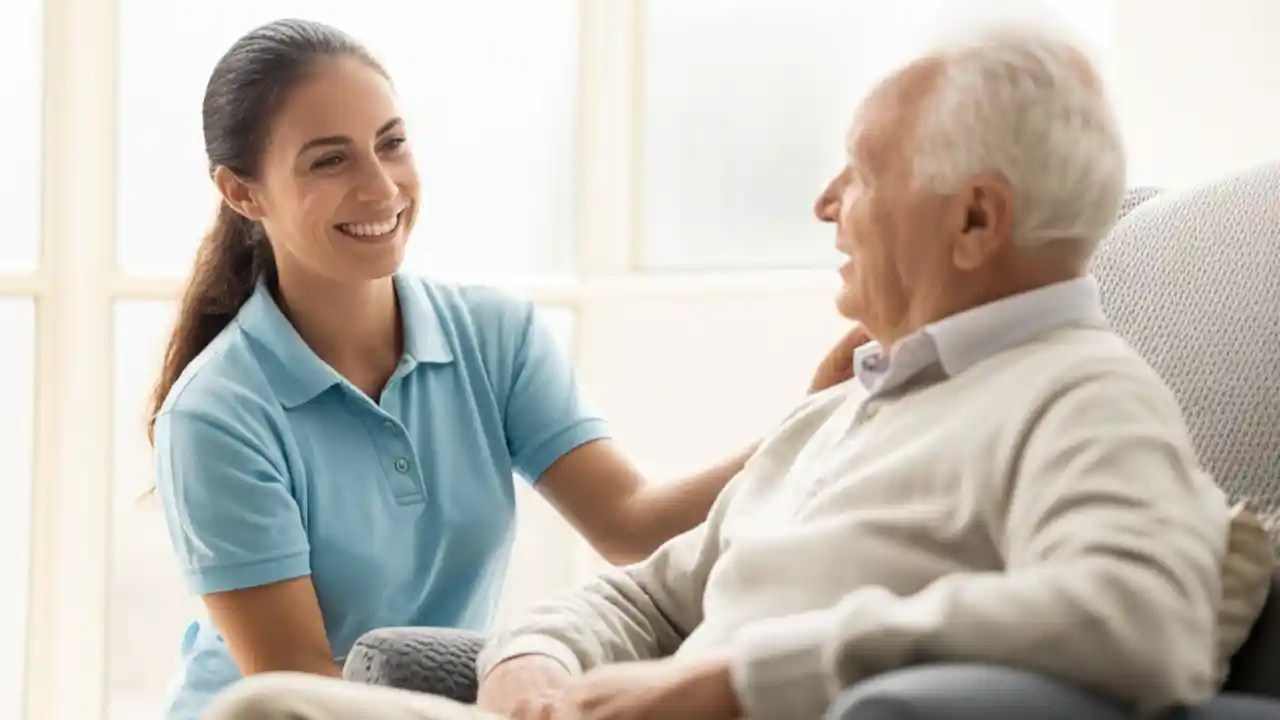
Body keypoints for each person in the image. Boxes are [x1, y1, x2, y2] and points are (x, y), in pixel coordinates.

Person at [201, 22, 1232, 720]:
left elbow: (1143, 617)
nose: (827, 205)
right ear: (244, 195)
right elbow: (651, 589)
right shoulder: (847, 415)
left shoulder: (1076, 394)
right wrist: (532, 660)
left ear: (973, 220)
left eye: (863, 174)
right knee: (270, 704)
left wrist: (735, 680)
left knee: (266, 712)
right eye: (329, 157)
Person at [150, 18, 864, 720]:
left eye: (391, 144)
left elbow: (630, 523)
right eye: (330, 161)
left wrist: (813, 417)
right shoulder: (215, 414)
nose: (382, 188)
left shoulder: (494, 335)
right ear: (243, 193)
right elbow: (299, 685)